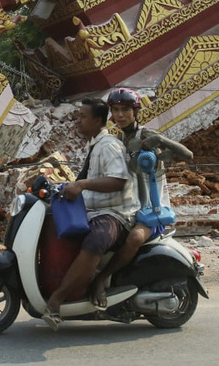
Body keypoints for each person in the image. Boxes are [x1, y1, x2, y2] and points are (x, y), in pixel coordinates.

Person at [88, 87, 194, 309]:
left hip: (151, 210)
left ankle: (100, 280)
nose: (120, 115)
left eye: (125, 110)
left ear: (135, 111)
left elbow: (187, 154)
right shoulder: (114, 140)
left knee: (135, 238)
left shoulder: (145, 135)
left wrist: (160, 140)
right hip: (126, 205)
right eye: (115, 110)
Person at [43, 97, 136, 329]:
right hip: (95, 210)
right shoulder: (94, 144)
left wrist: (82, 185)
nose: (78, 121)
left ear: (97, 120)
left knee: (96, 238)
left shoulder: (108, 146)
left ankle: (57, 300)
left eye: (83, 117)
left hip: (116, 213)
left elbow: (117, 181)